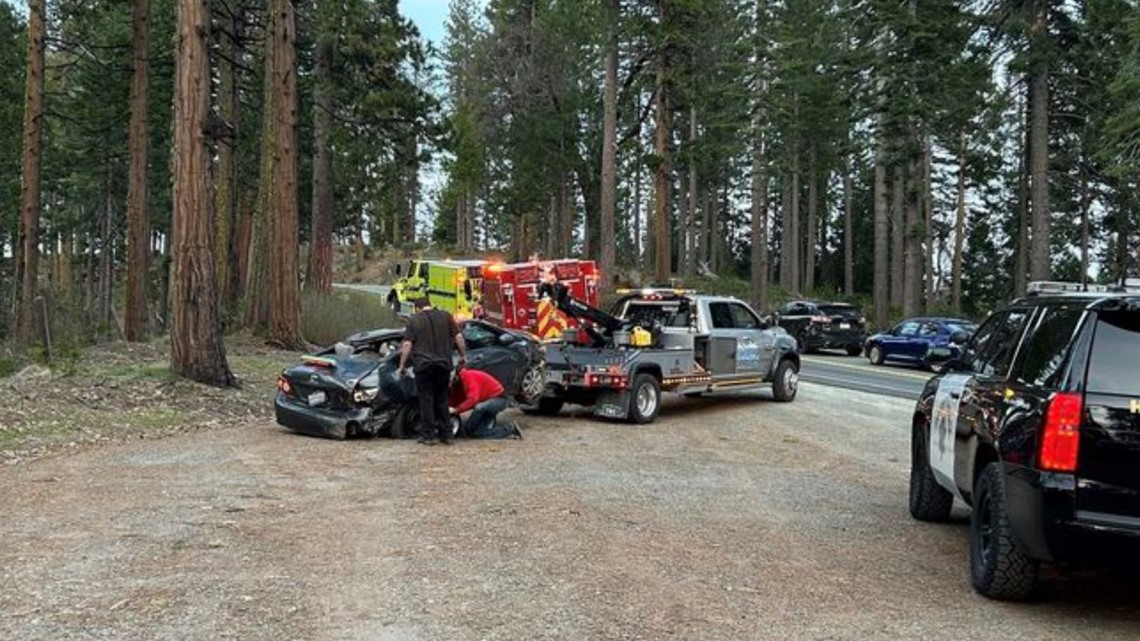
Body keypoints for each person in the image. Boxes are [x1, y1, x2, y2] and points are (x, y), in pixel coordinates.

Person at [398, 298, 467, 445]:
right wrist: (463, 355)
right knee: (442, 399)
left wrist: (402, 365)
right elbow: (459, 337)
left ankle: (428, 436)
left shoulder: (413, 320)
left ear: (417, 308)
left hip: (423, 366)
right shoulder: (446, 316)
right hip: (443, 365)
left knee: (426, 399)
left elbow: (407, 344)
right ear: (431, 305)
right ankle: (447, 435)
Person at [448, 368, 523, 439]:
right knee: (478, 433)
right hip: (486, 401)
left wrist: (456, 410)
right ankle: (510, 430)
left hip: (499, 398)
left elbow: (473, 399)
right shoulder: (456, 386)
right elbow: (455, 401)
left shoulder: (466, 377)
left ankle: (468, 428)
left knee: (479, 407)